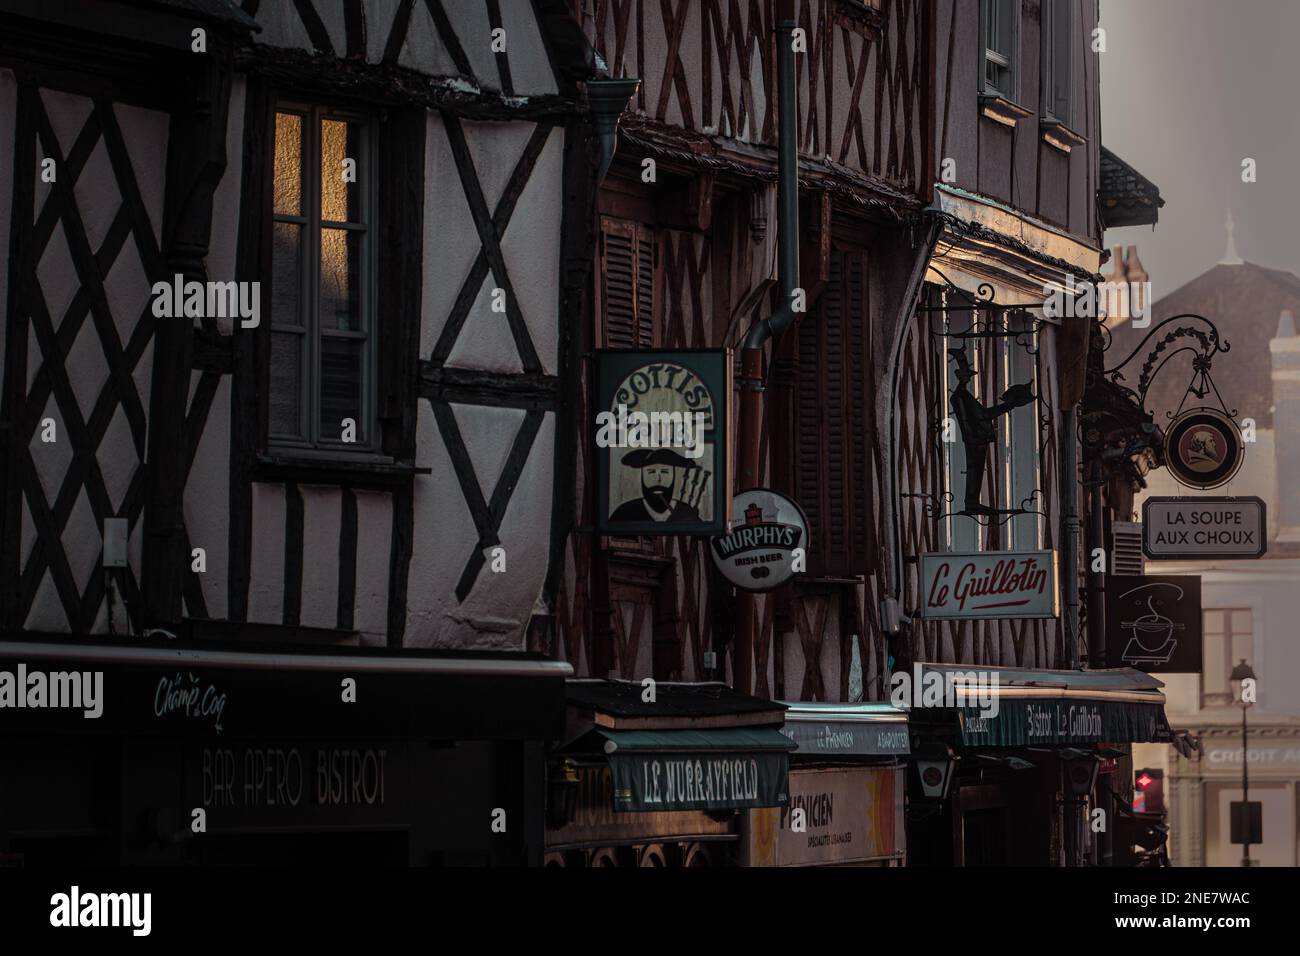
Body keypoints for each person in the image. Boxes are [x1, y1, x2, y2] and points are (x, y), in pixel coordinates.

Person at [609, 448, 702, 523]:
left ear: (674, 477)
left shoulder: (686, 512)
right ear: (641, 477)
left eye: (665, 472)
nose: (658, 479)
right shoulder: (624, 513)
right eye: (651, 472)